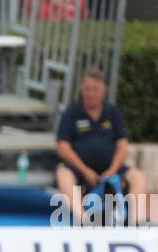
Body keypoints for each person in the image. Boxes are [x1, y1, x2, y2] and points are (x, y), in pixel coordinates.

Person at [54, 68, 147, 225]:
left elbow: (122, 145)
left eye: (95, 89)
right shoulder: (72, 113)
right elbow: (62, 146)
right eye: (87, 89)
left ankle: (136, 221)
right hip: (79, 169)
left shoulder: (113, 113)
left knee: (139, 176)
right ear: (82, 91)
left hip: (110, 169)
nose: (91, 94)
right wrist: (84, 170)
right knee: (63, 175)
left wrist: (112, 170)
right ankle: (83, 220)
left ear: (103, 91)